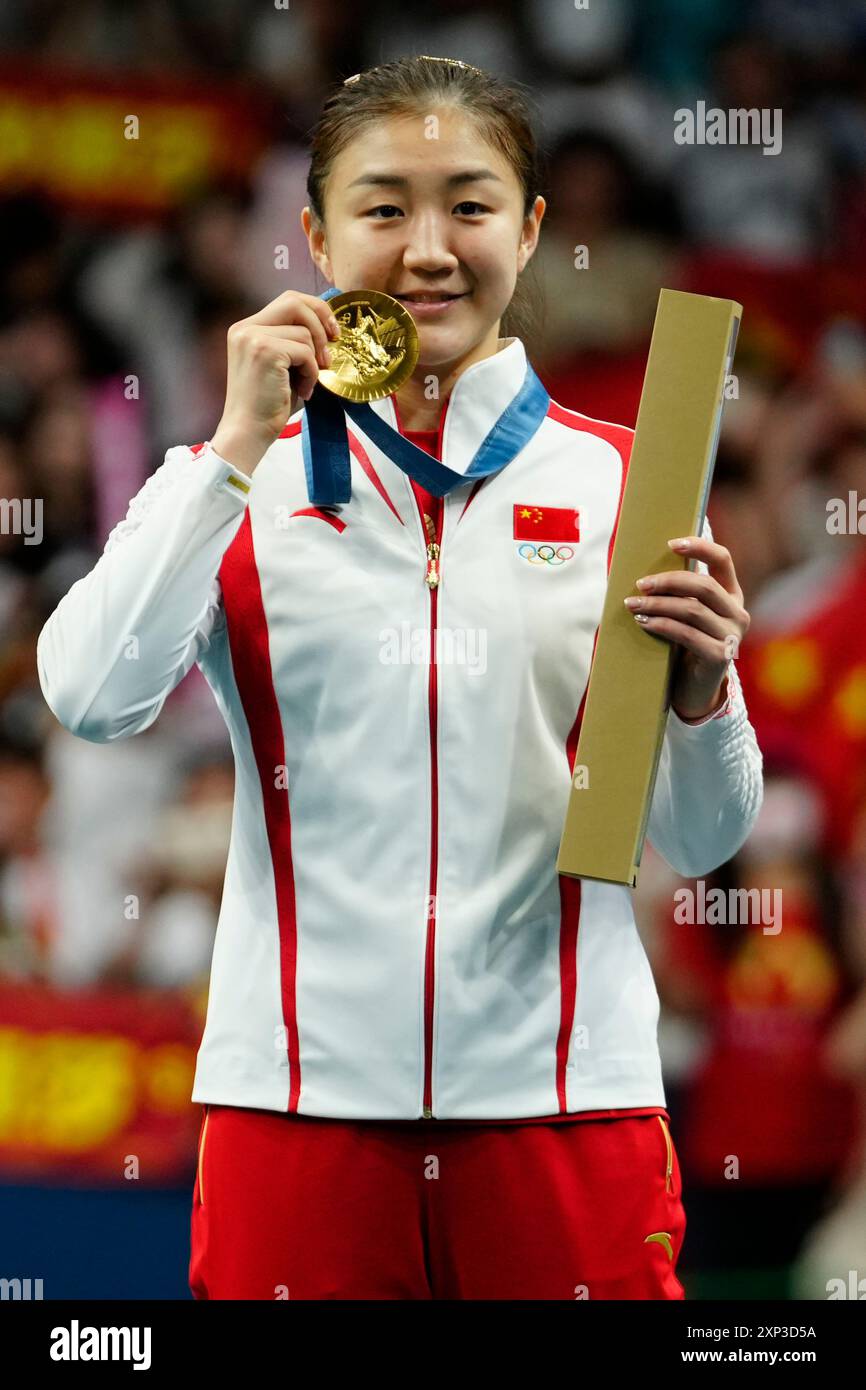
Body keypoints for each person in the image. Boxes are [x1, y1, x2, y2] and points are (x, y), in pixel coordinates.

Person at [36, 55, 763, 1300]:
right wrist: (228, 450)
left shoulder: (626, 487)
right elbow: (90, 695)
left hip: (565, 1107)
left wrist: (704, 700)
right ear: (314, 235)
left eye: (470, 206)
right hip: (294, 1107)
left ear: (531, 232)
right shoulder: (232, 482)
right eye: (382, 208)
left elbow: (698, 843)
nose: (428, 248)